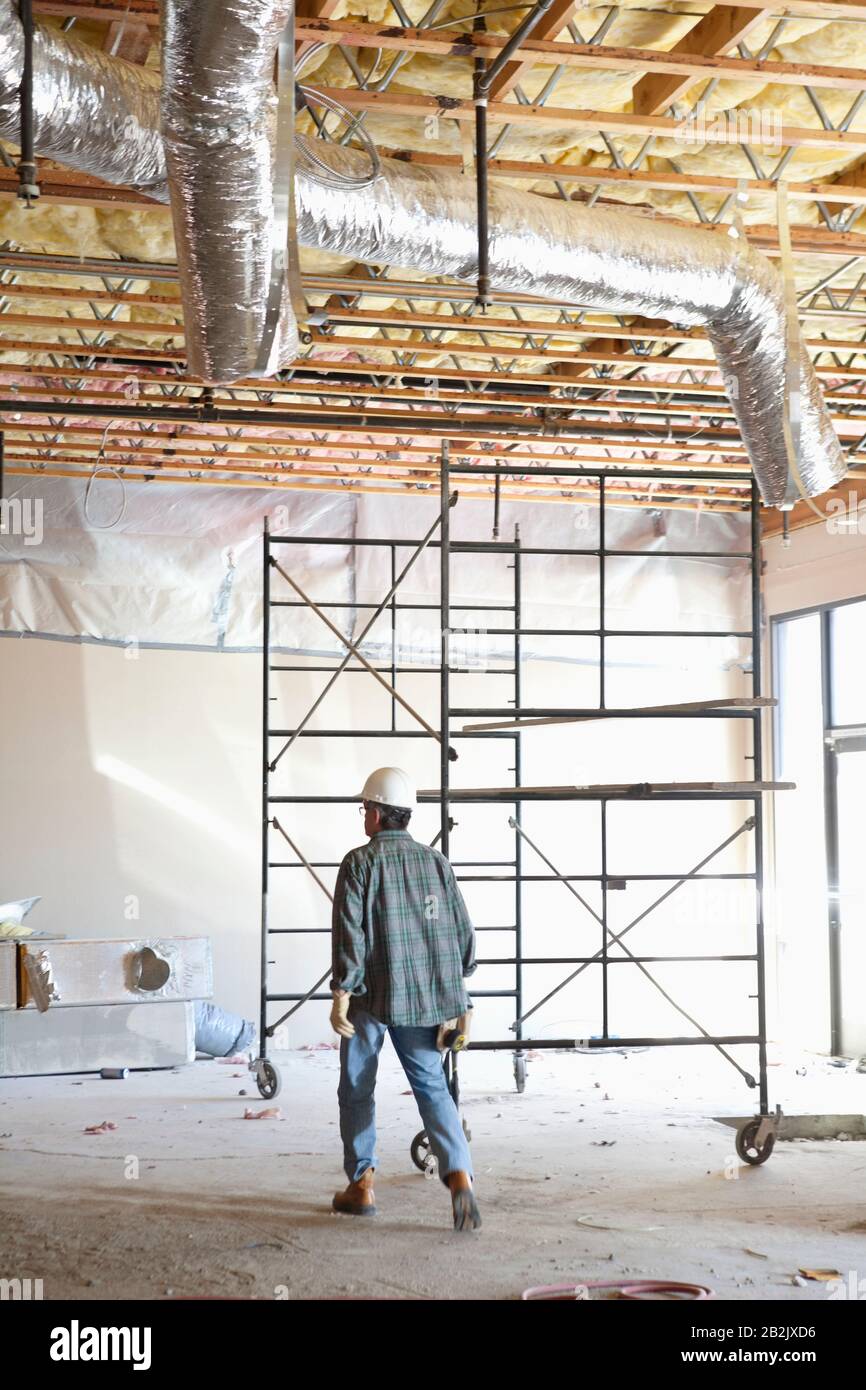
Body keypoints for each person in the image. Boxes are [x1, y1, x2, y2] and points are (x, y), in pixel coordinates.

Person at [329, 766, 480, 1232]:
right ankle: (459, 1177)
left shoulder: (359, 863)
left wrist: (341, 991)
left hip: (370, 996)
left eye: (364, 808)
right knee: (432, 1086)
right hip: (424, 997)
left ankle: (362, 1185)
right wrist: (460, 992)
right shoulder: (436, 863)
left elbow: (351, 935)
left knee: (357, 1087)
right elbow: (462, 932)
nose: (363, 816)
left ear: (376, 813)